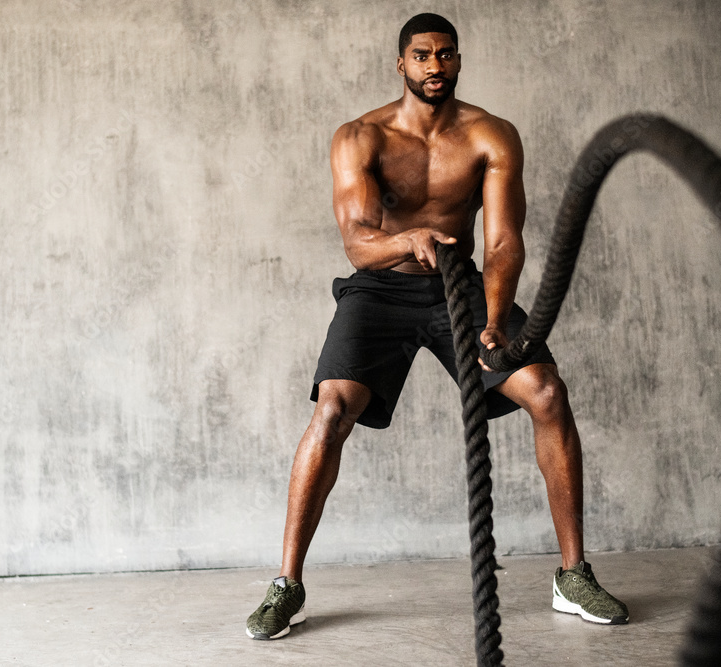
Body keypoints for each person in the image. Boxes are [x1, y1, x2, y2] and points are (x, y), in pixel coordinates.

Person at [246, 13, 628, 640]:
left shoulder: (491, 136)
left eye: (445, 55)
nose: (434, 66)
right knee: (333, 409)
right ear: (401, 64)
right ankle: (287, 584)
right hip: (380, 288)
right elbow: (358, 244)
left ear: (458, 60)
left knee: (548, 394)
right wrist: (406, 238)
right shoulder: (360, 137)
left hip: (463, 287)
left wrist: (497, 315)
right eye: (421, 56)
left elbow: (503, 240)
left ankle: (573, 575)